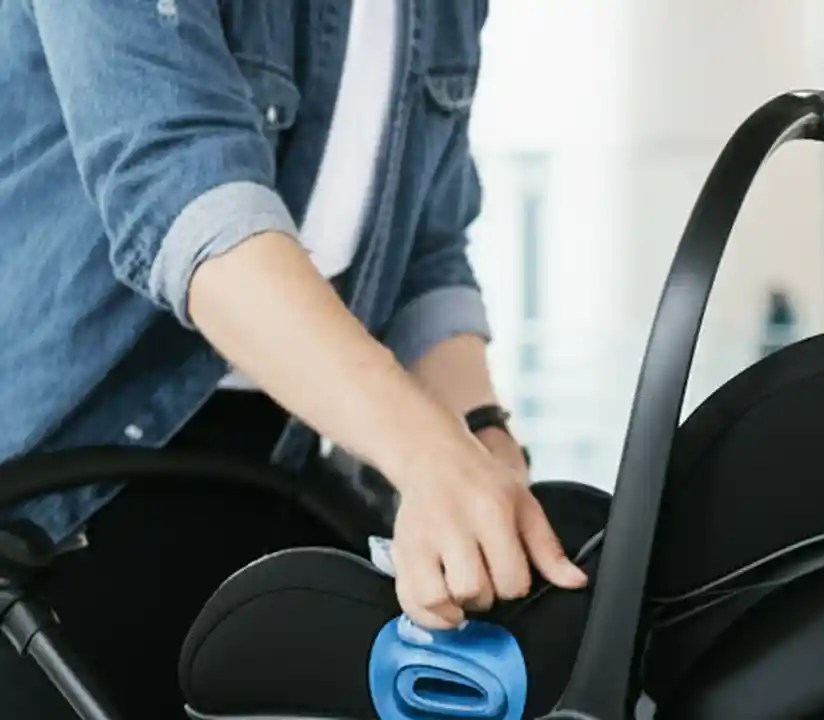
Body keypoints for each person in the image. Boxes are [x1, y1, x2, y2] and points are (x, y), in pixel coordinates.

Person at [0, 1, 590, 716]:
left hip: (274, 474)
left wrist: (483, 447)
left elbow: (424, 261)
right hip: (55, 496)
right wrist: (431, 454)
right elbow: (179, 191)